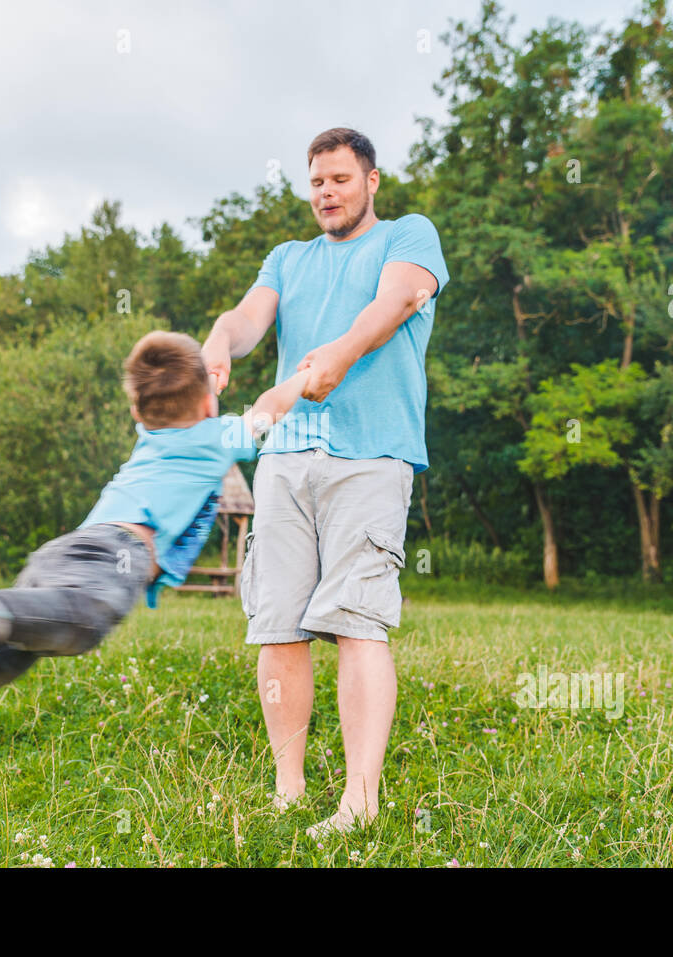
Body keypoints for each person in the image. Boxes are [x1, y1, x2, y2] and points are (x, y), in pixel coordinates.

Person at [0, 330, 308, 795]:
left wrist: (204, 385)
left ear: (138, 409)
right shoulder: (212, 437)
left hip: (65, 554)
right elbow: (266, 411)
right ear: (206, 402)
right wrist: (304, 377)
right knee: (86, 621)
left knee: (7, 658)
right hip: (112, 556)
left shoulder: (154, 435)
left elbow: (183, 405)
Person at [199, 127, 449, 838]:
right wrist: (219, 341)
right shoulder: (289, 257)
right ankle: (289, 787)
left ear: (371, 181)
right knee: (278, 623)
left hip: (370, 457)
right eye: (316, 182)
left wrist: (330, 360)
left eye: (339, 179)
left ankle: (359, 800)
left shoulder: (407, 235)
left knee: (356, 621)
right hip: (285, 462)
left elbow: (396, 303)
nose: (326, 193)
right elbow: (250, 318)